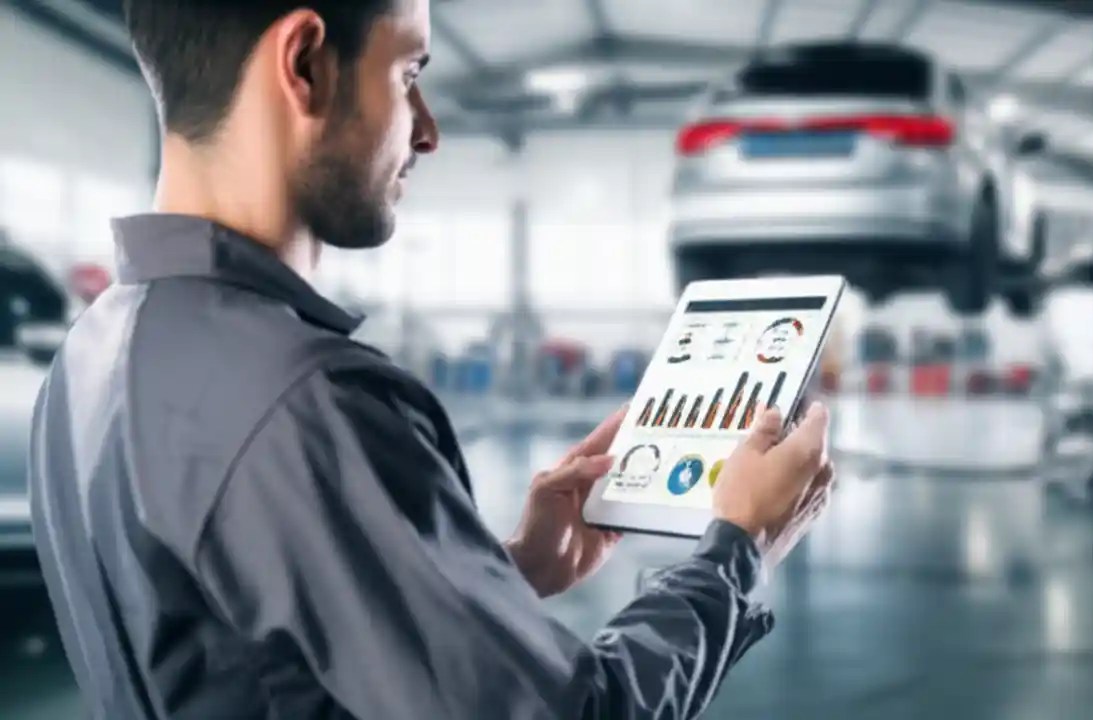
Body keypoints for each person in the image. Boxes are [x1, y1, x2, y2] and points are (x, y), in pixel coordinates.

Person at [27, 1, 835, 718]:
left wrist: (500, 579)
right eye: (408, 71)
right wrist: (738, 550)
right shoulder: (306, 401)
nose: (426, 128)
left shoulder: (92, 355)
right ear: (304, 63)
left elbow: (249, 655)